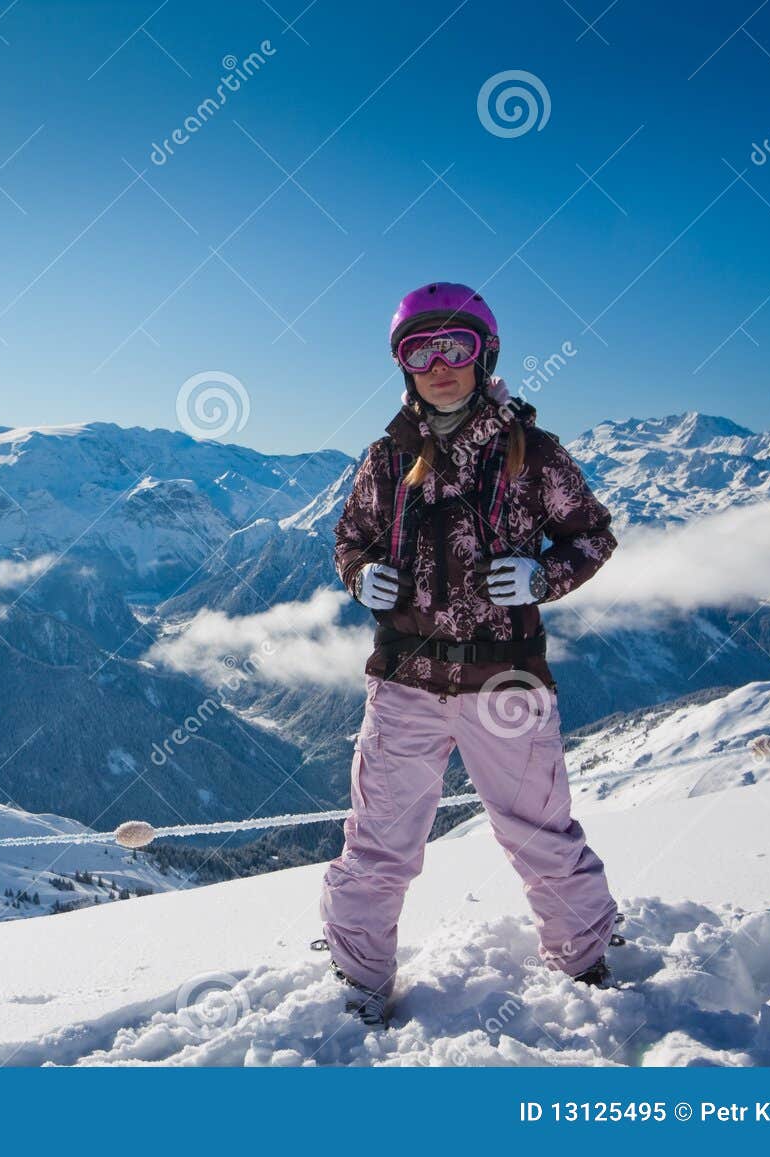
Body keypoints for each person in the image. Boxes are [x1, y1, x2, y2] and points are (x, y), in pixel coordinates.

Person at [318, 281, 623, 1028]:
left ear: (484, 356)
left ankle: (585, 961)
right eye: (420, 350)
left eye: (456, 346)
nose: (440, 364)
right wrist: (361, 575)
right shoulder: (387, 458)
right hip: (406, 679)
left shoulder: (533, 454)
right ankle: (359, 977)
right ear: (404, 367)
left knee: (538, 832)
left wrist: (543, 575)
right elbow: (348, 537)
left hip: (506, 679)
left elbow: (592, 534)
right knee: (379, 841)